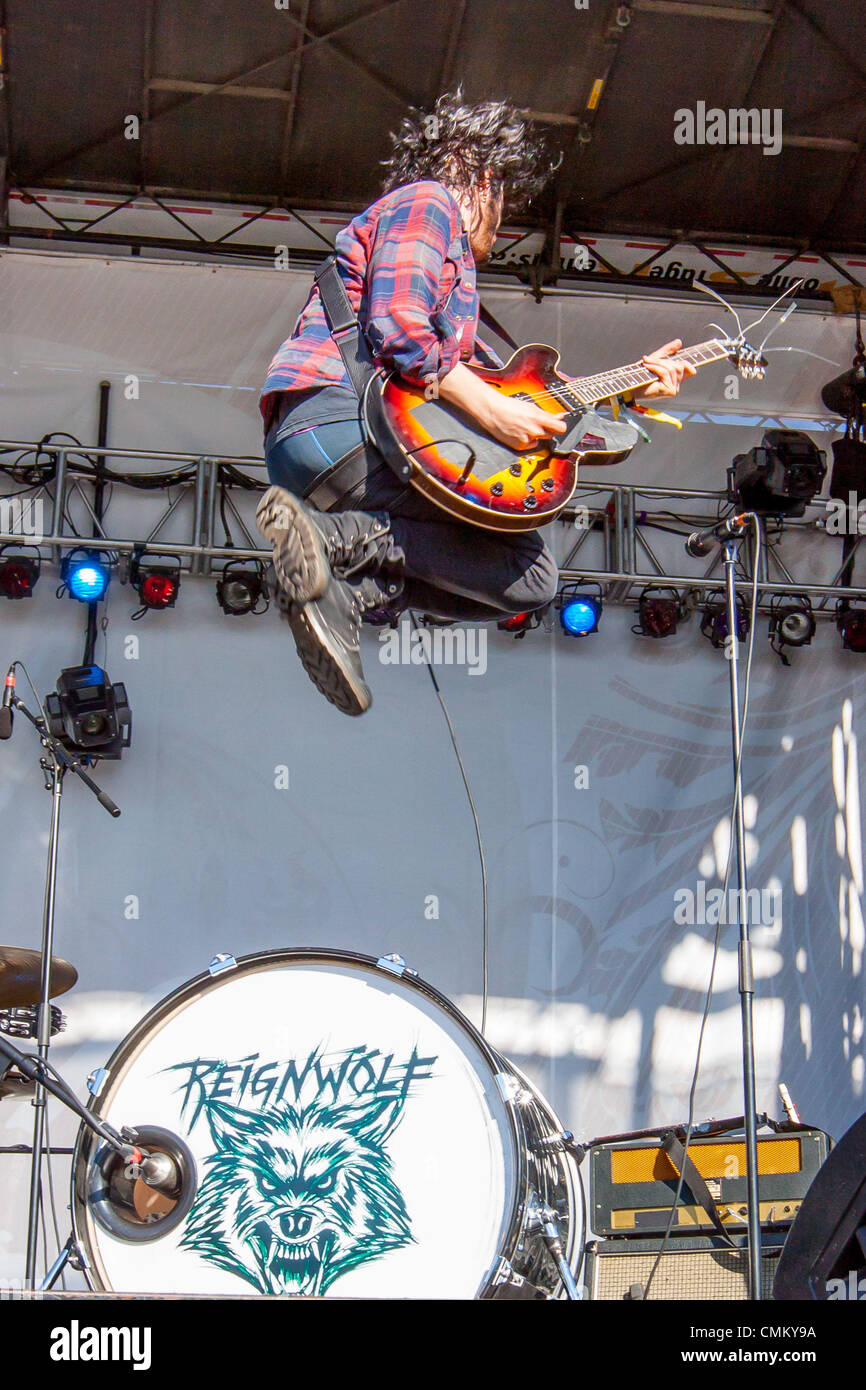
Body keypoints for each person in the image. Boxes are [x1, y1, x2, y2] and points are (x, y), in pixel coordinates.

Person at [256, 90, 693, 716]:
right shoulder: (428, 201)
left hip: (315, 440)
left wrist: (632, 392)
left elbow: (505, 395)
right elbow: (400, 326)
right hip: (343, 419)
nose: (503, 219)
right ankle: (337, 547)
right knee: (523, 561)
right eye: (505, 198)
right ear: (481, 175)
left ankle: (347, 582)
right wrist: (492, 413)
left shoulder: (432, 245)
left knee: (533, 583)